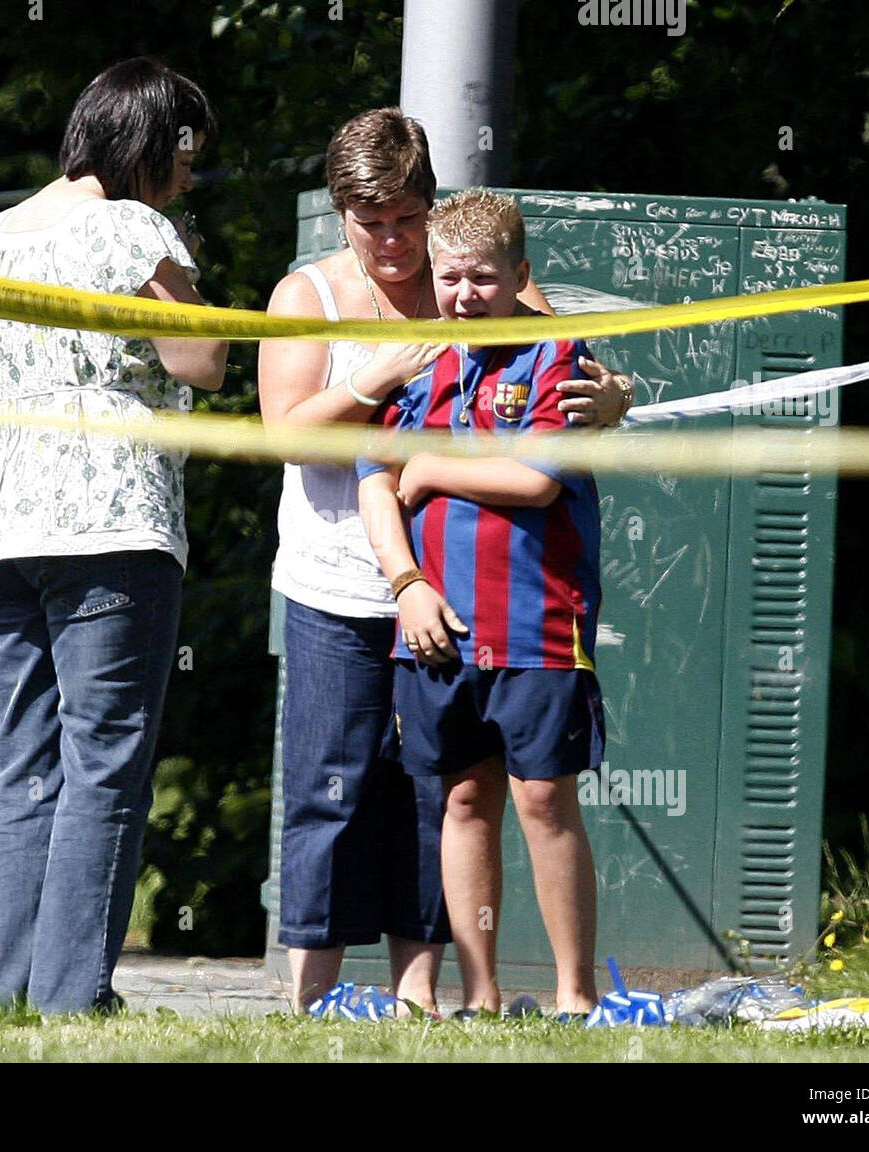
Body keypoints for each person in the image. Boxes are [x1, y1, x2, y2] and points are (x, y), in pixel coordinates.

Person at [257, 108, 629, 1014]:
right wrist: (376, 380)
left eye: (405, 218)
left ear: (431, 208)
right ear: (339, 215)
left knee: (441, 799)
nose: (391, 240)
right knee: (332, 791)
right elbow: (285, 437)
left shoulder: (471, 280)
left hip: (477, 596)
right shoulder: (310, 295)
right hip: (342, 578)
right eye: (367, 220)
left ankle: (424, 989)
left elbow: (570, 366)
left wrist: (615, 397)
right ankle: (312, 996)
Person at [0, 57, 226, 1015]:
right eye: (183, 161)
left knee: (19, 760)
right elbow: (206, 360)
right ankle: (71, 996)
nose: (187, 180)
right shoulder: (133, 225)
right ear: (149, 144)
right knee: (104, 760)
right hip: (110, 513)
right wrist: (185, 263)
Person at [356, 189, 604, 1018]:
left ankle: (576, 996)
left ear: (520, 277)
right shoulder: (421, 362)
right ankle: (482, 997)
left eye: (485, 279)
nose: (466, 295)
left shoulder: (557, 353)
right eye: (452, 278)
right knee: (462, 800)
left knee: (542, 799)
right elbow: (372, 482)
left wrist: (429, 471)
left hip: (537, 621)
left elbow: (537, 480)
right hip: (436, 629)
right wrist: (407, 584)